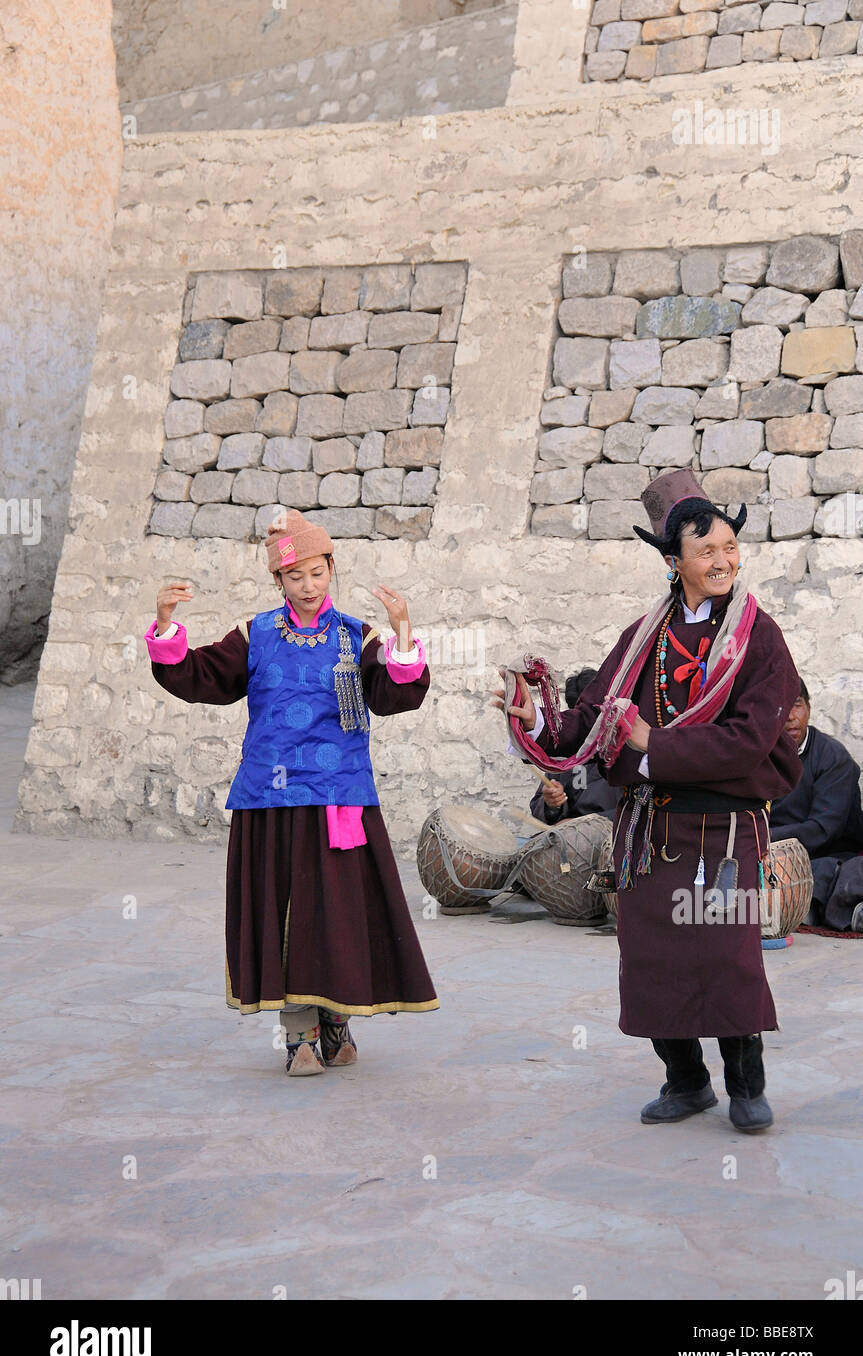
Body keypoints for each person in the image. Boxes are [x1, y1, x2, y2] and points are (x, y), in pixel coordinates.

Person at [494, 467, 802, 1134]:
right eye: (706, 552)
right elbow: (586, 719)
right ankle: (684, 1080)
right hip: (650, 834)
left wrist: (650, 743)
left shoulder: (759, 638)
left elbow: (751, 740)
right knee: (655, 959)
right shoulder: (642, 639)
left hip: (724, 831)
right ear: (674, 562)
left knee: (728, 956)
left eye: (728, 548)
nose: (722, 561)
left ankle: (745, 1086)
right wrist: (534, 717)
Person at [145, 509, 439, 1077]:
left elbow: (392, 695)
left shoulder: (358, 637)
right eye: (295, 577)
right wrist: (164, 626)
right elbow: (198, 676)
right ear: (277, 583)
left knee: (338, 914)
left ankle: (338, 1021)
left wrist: (402, 634)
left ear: (333, 570)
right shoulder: (254, 635)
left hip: (339, 799)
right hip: (270, 802)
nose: (308, 586)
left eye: (318, 572)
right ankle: (298, 1033)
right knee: (286, 914)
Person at [769, 679, 863, 925]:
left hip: (825, 853)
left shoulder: (833, 758)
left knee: (826, 875)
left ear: (809, 708)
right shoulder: (761, 754)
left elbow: (823, 829)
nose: (790, 717)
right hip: (769, 849)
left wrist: (763, 837)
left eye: (797, 705)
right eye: (781, 708)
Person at [528, 669, 619, 825]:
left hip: (611, 839)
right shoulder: (568, 751)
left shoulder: (627, 751)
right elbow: (539, 806)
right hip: (569, 838)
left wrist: (584, 824)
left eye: (592, 717)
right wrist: (552, 804)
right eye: (580, 717)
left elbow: (637, 812)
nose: (588, 725)